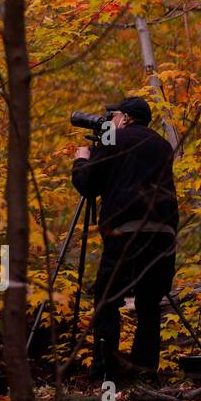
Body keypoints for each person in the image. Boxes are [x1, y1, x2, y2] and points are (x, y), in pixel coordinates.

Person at [72, 95, 178, 383]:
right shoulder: (163, 145)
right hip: (163, 235)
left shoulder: (113, 140)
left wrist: (82, 160)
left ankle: (106, 373)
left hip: (126, 233)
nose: (110, 121)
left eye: (114, 116)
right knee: (148, 304)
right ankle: (145, 376)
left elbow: (89, 185)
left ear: (126, 118)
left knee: (107, 300)